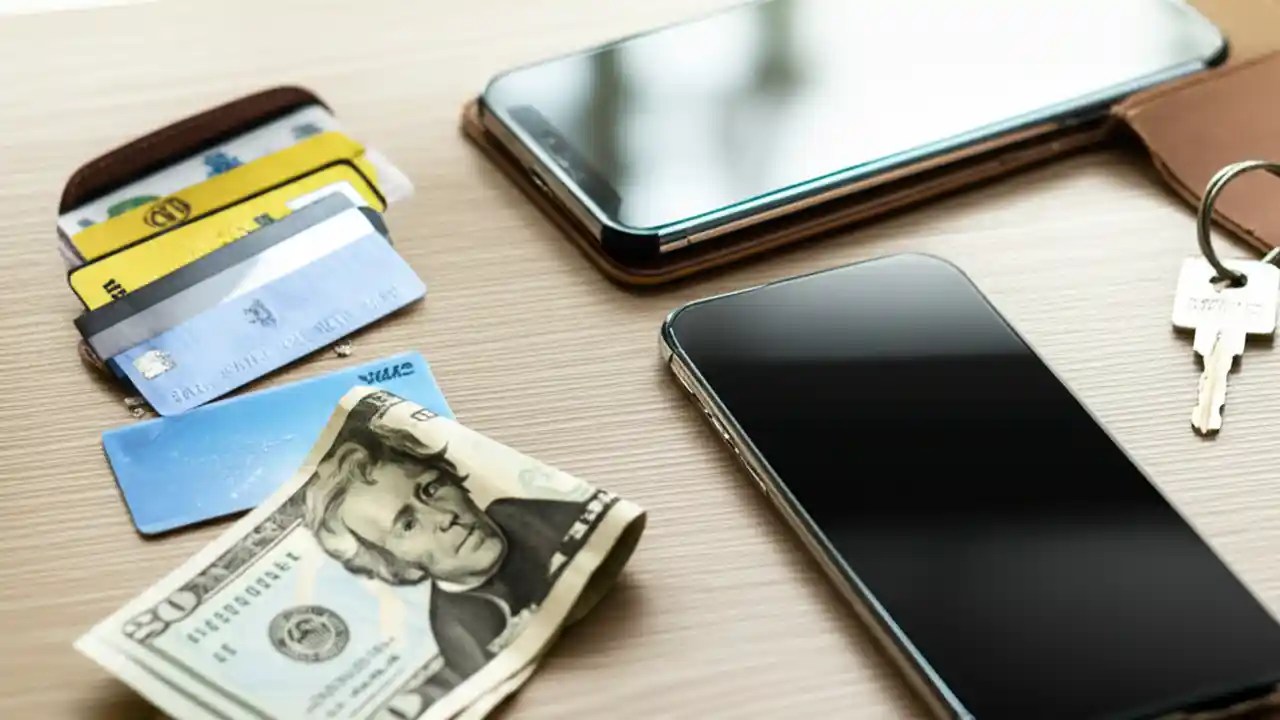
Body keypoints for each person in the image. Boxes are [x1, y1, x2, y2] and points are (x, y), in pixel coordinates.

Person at [302, 416, 588, 684]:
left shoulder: (513, 514)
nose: (443, 517)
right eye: (408, 525)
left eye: (430, 489)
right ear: (397, 565)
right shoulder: (457, 630)